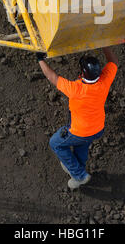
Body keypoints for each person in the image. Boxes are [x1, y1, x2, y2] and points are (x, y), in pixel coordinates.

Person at [37, 47, 118, 190]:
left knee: (55, 143)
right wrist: (105, 45)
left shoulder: (76, 89)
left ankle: (80, 175)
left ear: (82, 73)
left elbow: (52, 77)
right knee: (82, 145)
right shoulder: (104, 82)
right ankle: (77, 166)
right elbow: (114, 62)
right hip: (97, 129)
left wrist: (40, 59)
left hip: (79, 131)